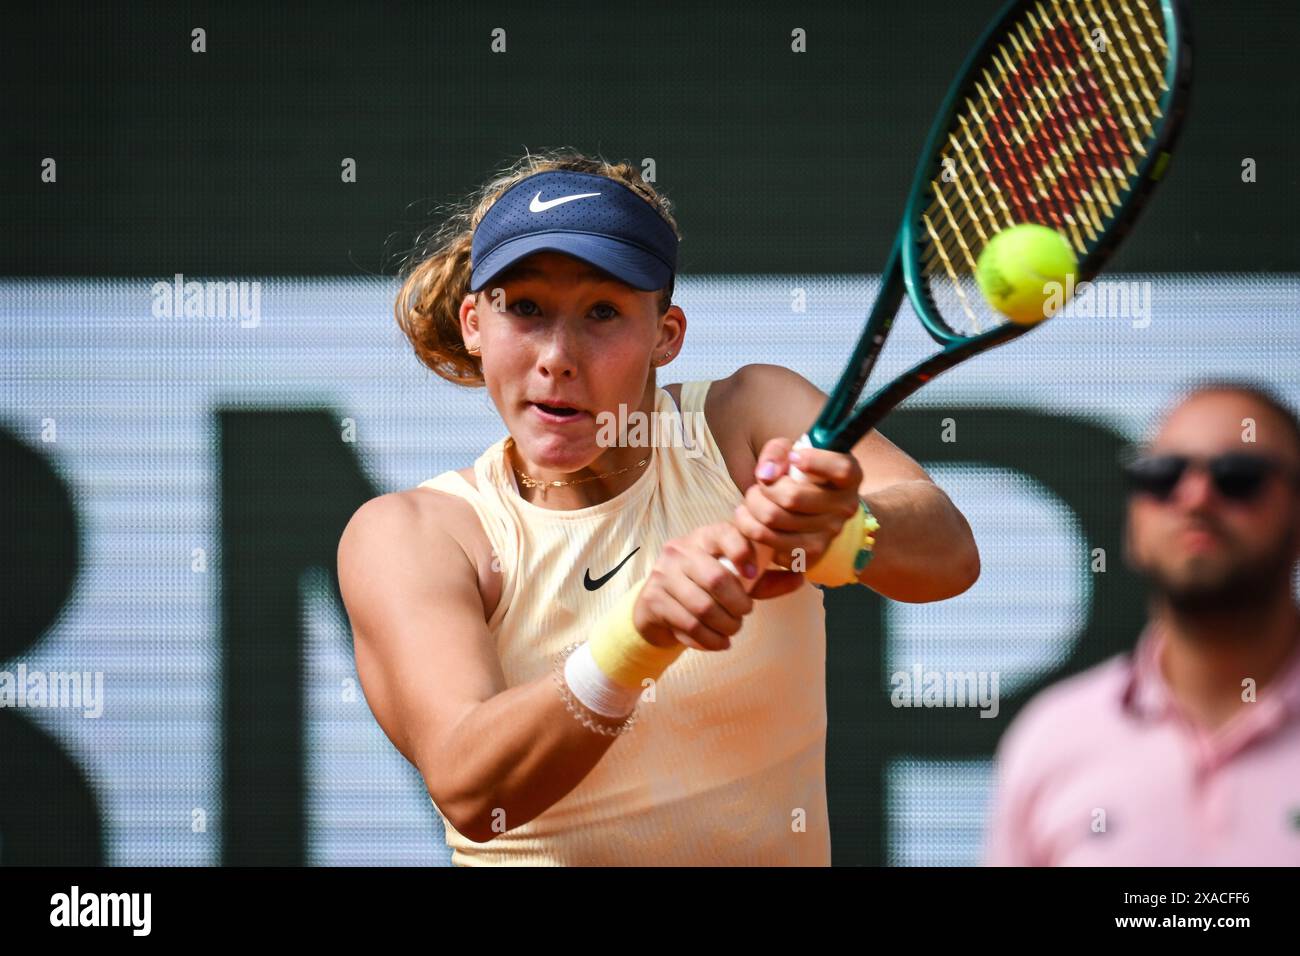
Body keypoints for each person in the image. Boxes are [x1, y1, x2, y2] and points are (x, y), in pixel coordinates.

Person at [338, 149, 980, 866]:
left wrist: (840, 532)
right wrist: (637, 636)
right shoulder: (415, 535)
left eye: (603, 312)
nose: (557, 355)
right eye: (525, 309)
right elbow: (471, 789)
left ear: (666, 335)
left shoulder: (747, 417)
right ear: (473, 325)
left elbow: (949, 555)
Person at [985, 382, 1300, 865]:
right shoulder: (1050, 738)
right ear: (1134, 523)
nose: (1195, 499)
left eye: (1238, 476)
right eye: (1162, 476)